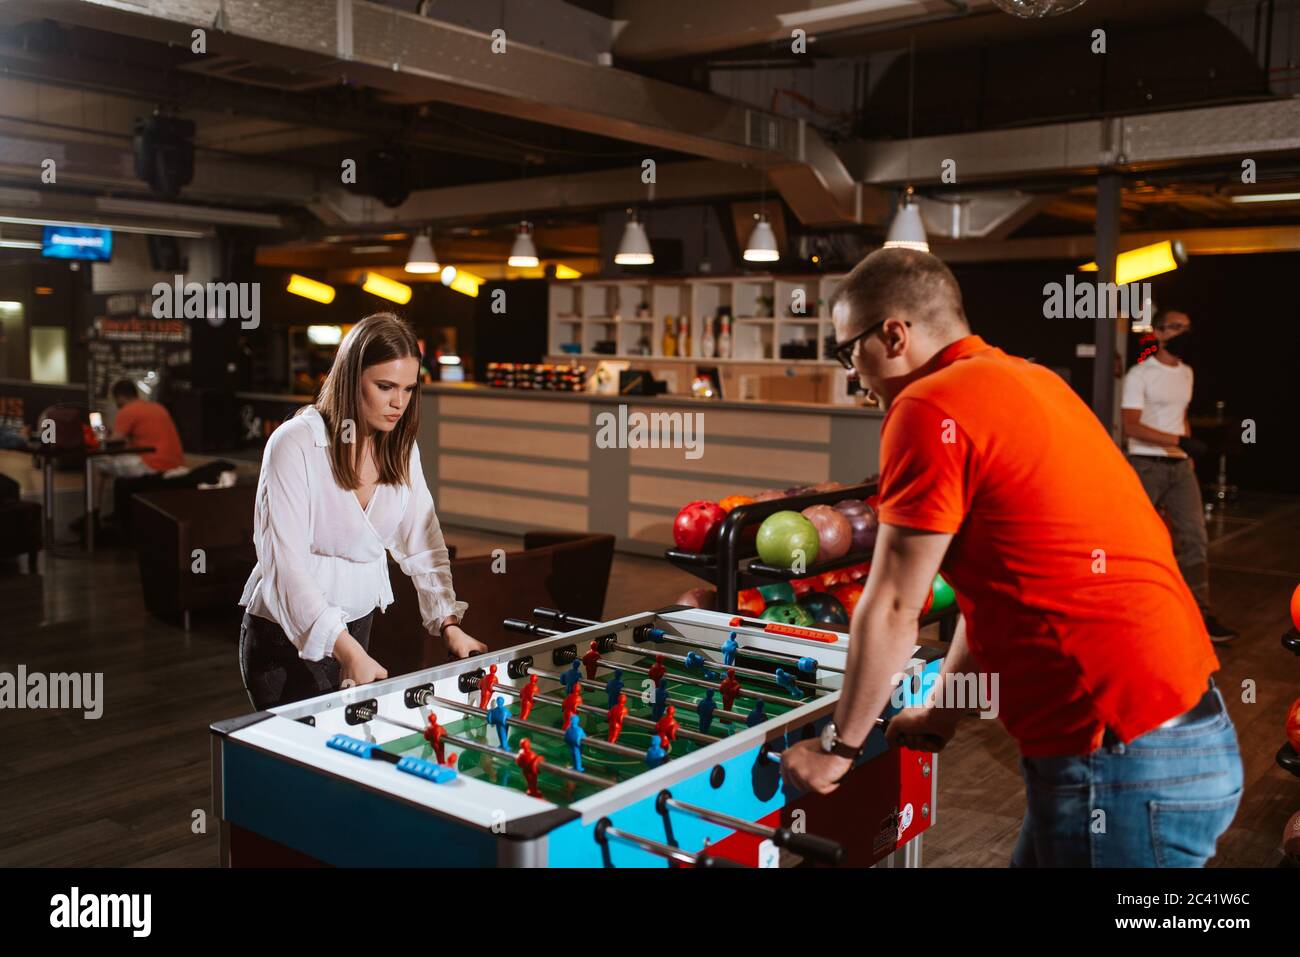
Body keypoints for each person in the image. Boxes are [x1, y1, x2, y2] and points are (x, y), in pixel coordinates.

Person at [781, 248, 1241, 868]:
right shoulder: (1034, 381)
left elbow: (892, 605)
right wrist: (942, 714)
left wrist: (838, 748)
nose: (855, 378)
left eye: (848, 353)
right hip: (1184, 738)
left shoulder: (926, 405)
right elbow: (1000, 589)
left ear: (892, 336)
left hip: (1116, 760)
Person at [238, 312, 485, 710]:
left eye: (408, 389)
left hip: (358, 629)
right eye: (385, 386)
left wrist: (448, 623)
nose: (398, 403)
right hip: (285, 641)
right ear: (351, 378)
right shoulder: (294, 444)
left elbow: (423, 544)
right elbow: (285, 567)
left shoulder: (401, 448)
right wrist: (346, 650)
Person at [1121, 309, 1234, 642]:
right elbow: (1130, 426)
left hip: (1180, 466)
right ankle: (1129, 610)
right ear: (1157, 333)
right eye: (1175, 328)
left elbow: (1180, 415)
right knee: (1138, 538)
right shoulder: (1140, 375)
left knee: (1195, 537)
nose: (1183, 333)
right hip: (1146, 463)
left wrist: (1186, 450)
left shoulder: (1186, 373)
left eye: (1187, 328)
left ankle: (1200, 614)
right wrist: (1179, 441)